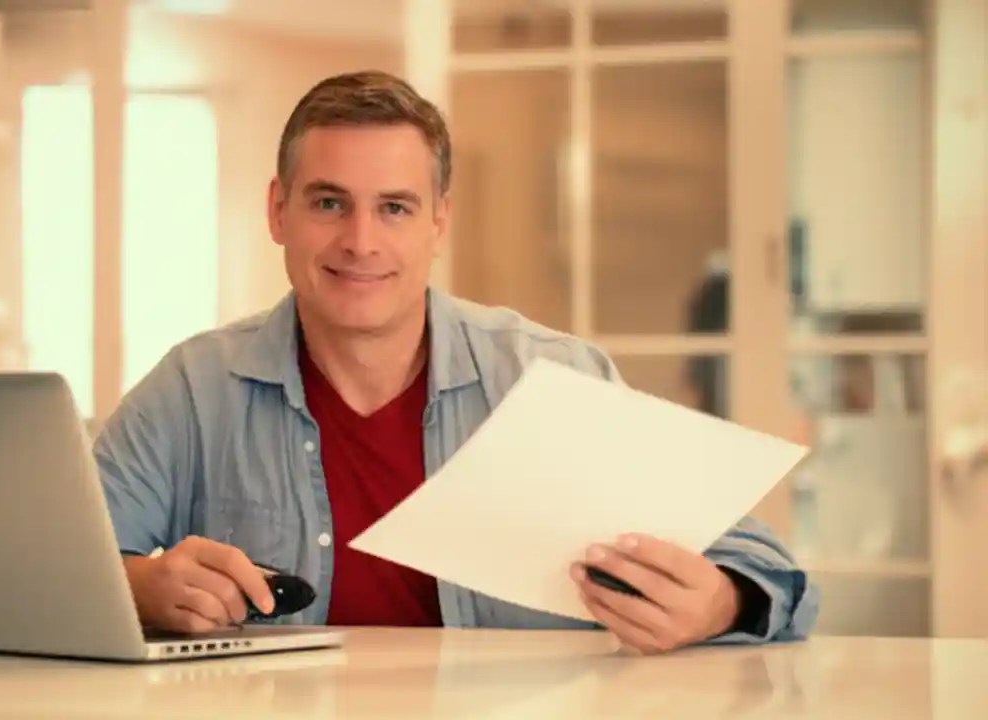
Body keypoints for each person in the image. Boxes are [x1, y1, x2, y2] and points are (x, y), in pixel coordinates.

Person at [95, 70, 819, 654]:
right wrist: (142, 586)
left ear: (440, 219)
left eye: (395, 208)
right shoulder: (193, 390)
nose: (361, 240)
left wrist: (718, 602)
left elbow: (773, 571)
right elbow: (47, 568)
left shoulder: (549, 378)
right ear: (278, 211)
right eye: (328, 203)